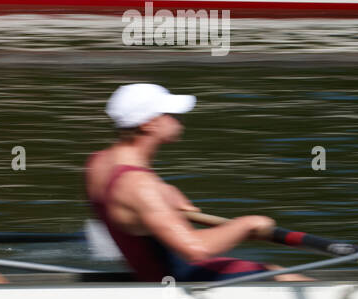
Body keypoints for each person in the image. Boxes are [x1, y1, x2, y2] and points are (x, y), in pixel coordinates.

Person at [85, 83, 304, 282]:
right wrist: (247, 224)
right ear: (149, 124)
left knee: (274, 270)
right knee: (283, 277)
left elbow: (127, 207)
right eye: (171, 114)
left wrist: (164, 191)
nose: (179, 118)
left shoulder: (98, 163)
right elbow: (195, 249)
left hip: (152, 272)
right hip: (176, 280)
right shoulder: (139, 186)